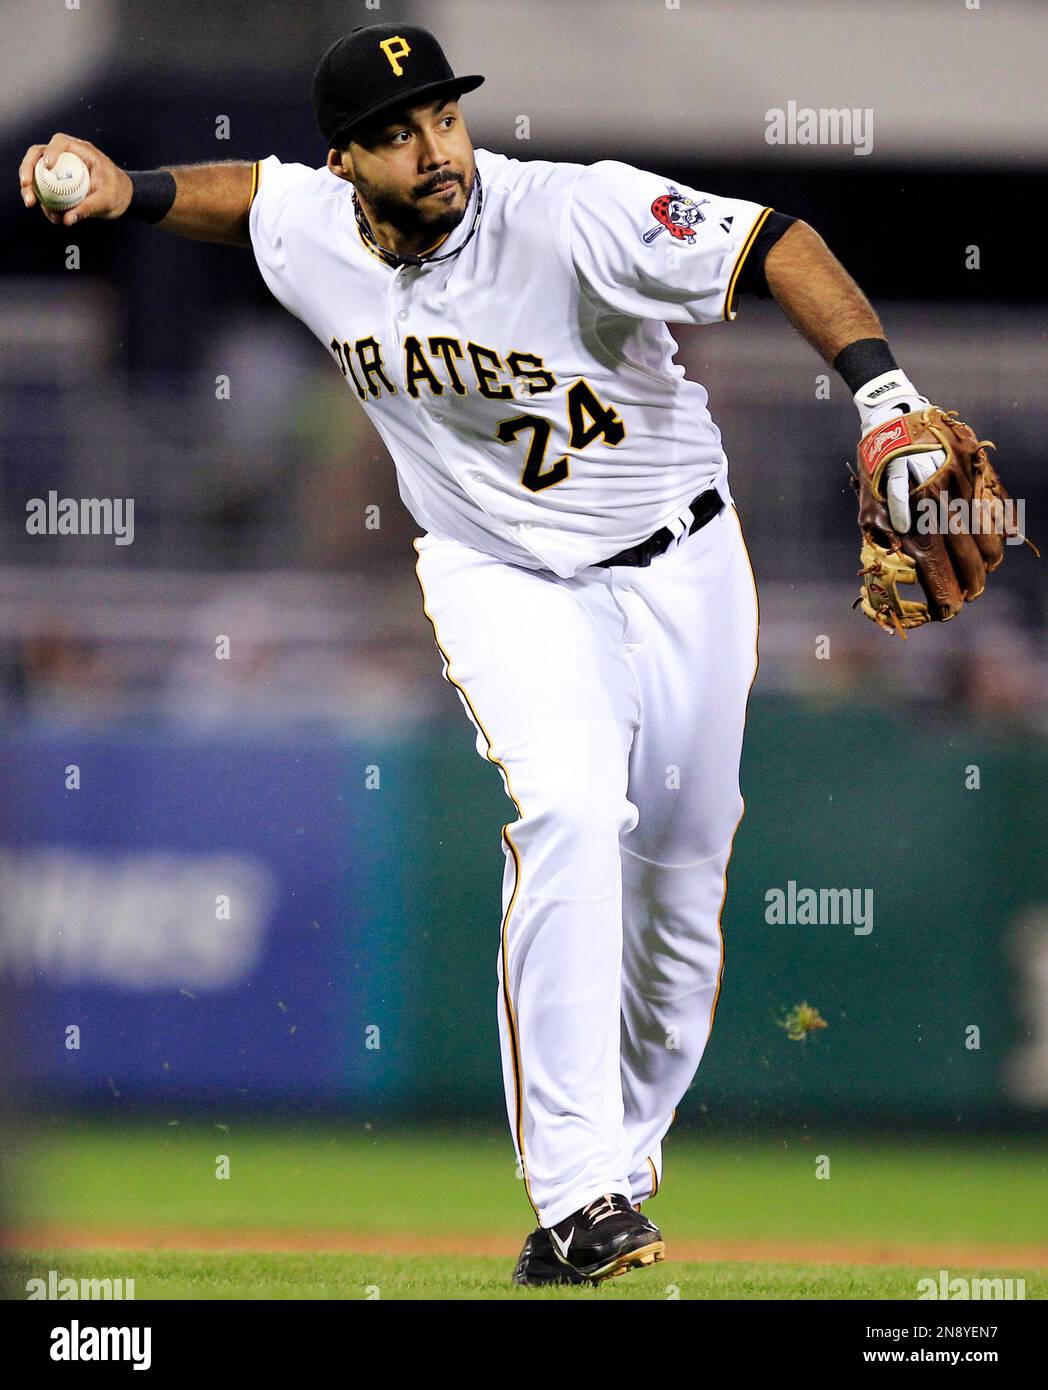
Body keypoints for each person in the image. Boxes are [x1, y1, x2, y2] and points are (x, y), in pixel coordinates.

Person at [19, 23, 943, 1287]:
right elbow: (248, 202)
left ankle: (622, 1160)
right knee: (567, 809)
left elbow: (778, 242)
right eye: (397, 132)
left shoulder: (574, 213)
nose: (436, 146)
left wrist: (884, 397)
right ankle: (575, 1200)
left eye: (444, 116)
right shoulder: (315, 225)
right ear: (347, 159)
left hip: (676, 562)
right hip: (495, 571)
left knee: (679, 876)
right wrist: (129, 191)